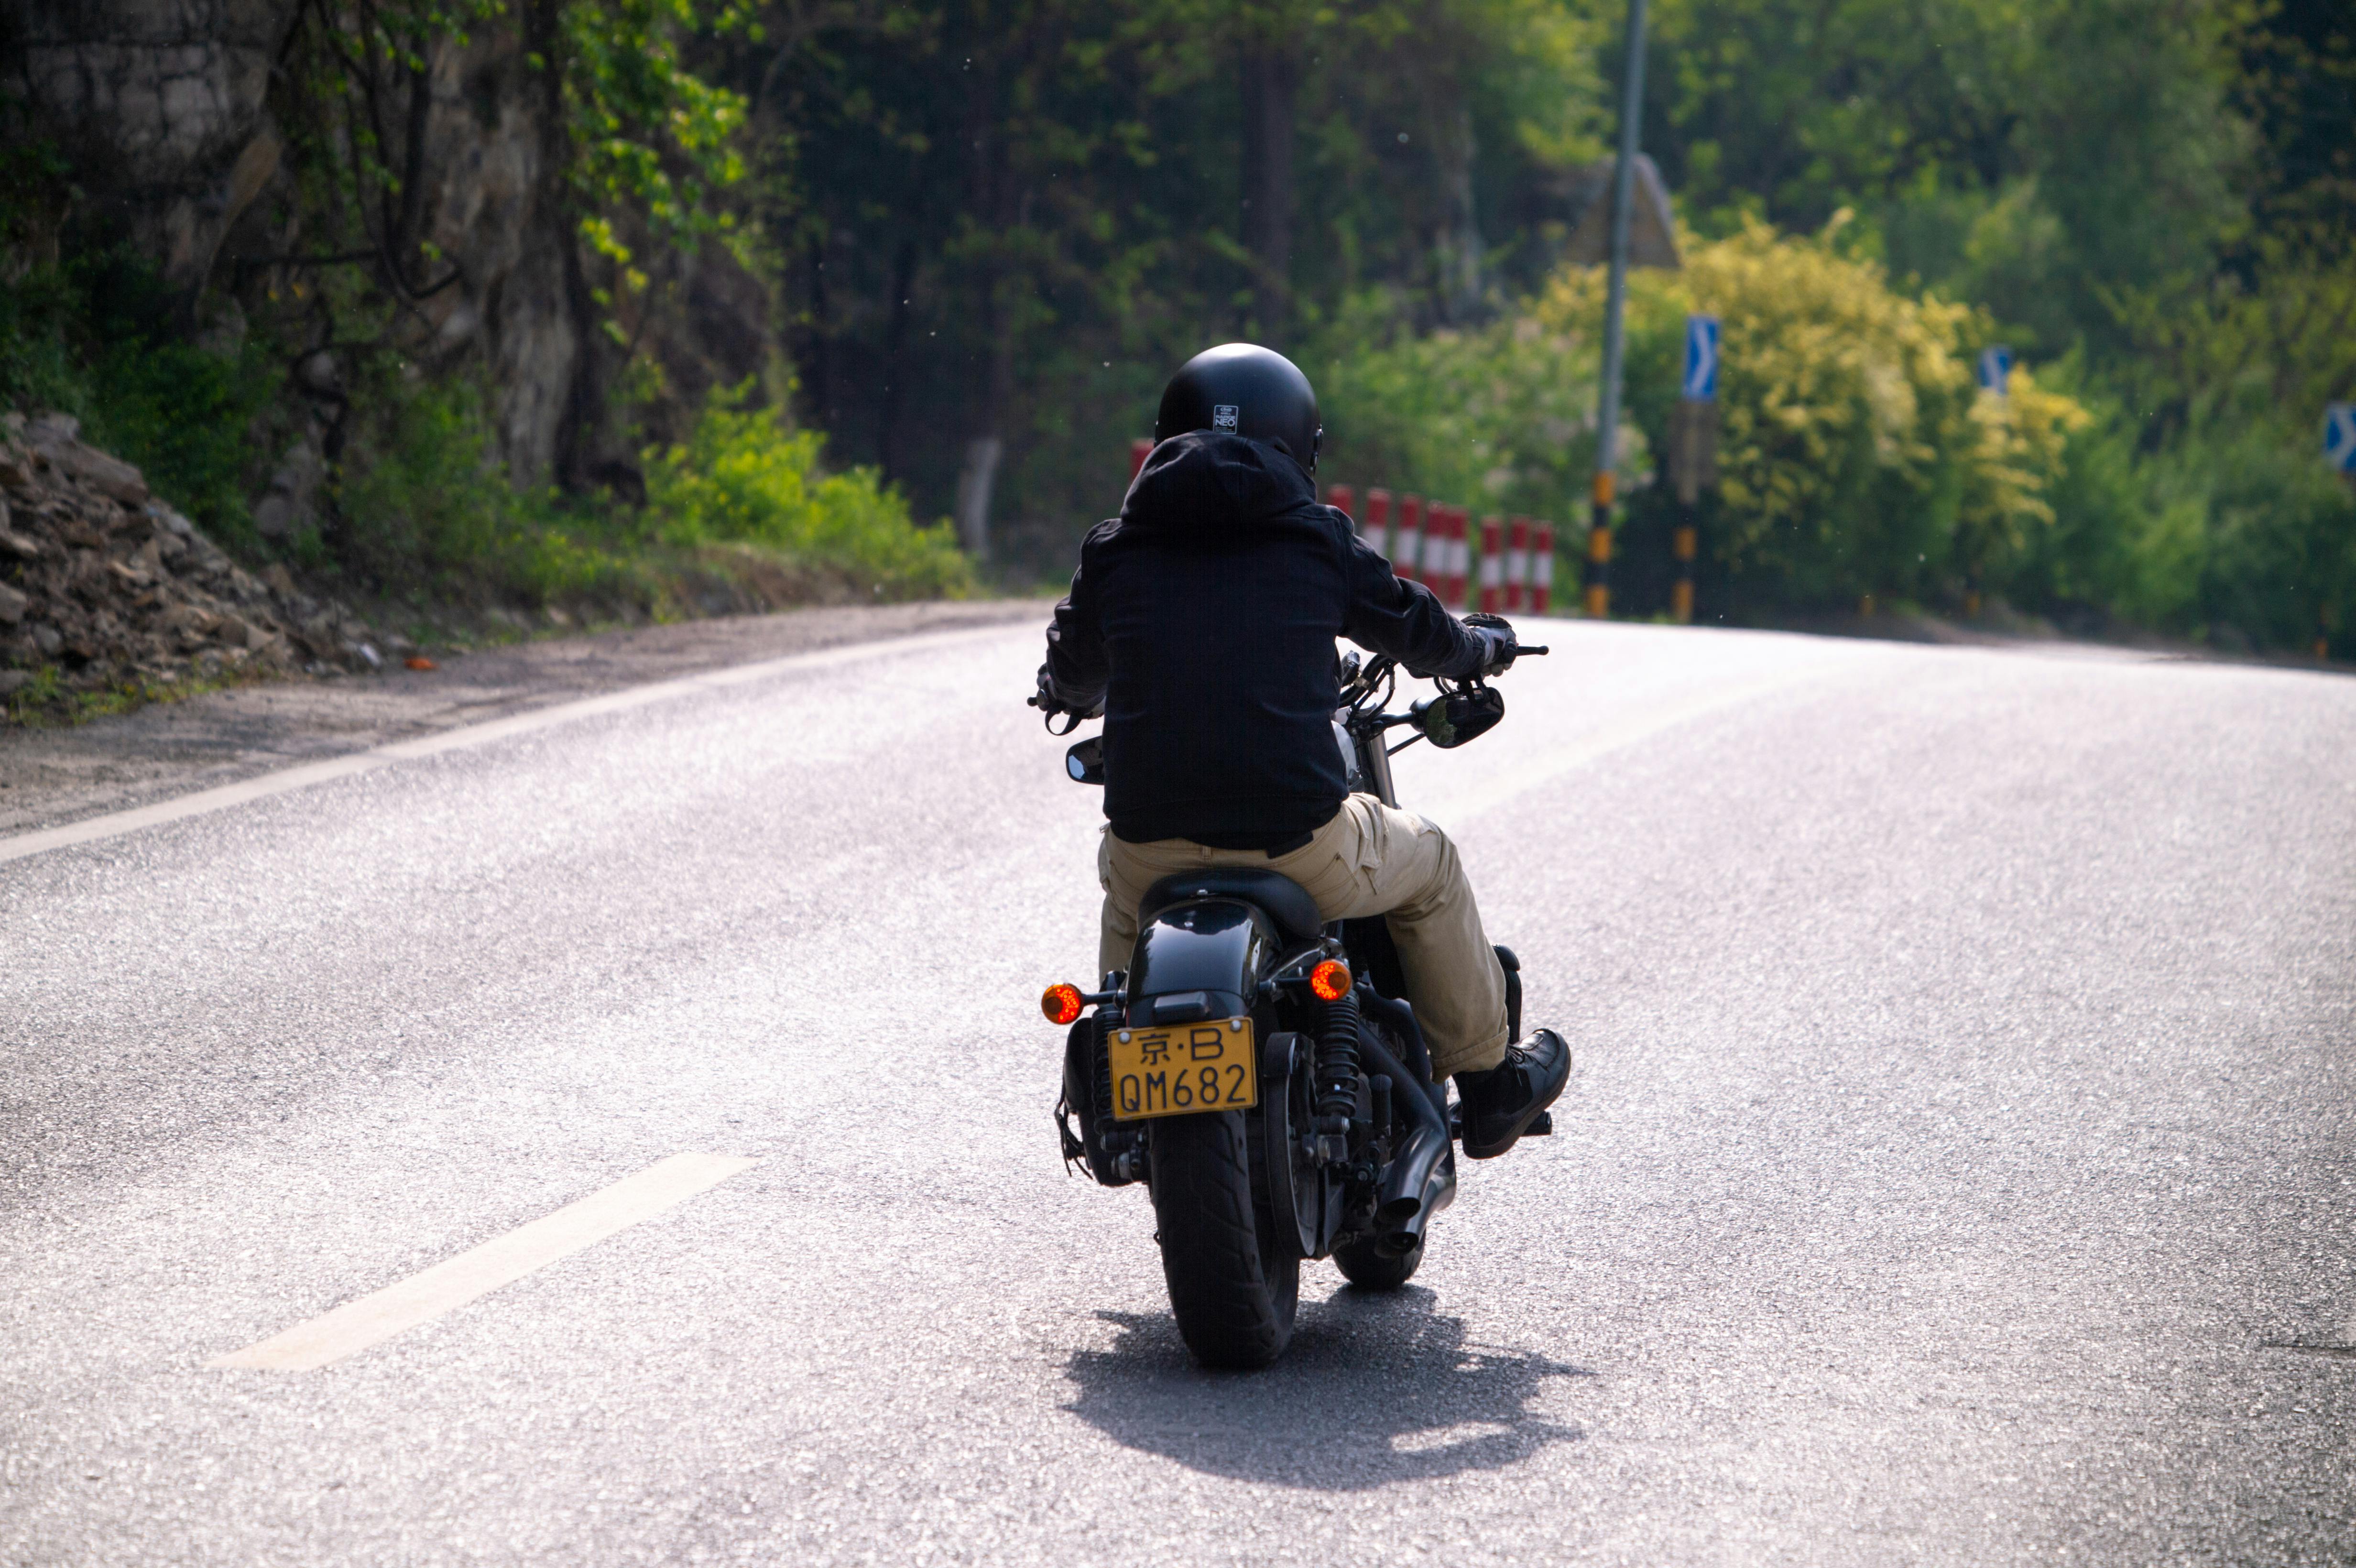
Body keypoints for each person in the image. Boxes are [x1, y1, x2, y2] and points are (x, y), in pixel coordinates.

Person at [1034, 341, 1569, 1159]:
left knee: (1123, 896)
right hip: (1300, 847)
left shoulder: (1115, 548)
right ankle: (1492, 1082)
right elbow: (1417, 630)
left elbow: (1072, 673)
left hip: (1152, 851)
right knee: (1431, 864)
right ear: (1298, 441)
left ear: (1168, 435)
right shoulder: (1316, 540)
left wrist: (1063, 695)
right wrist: (1478, 649)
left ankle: (1117, 1088)